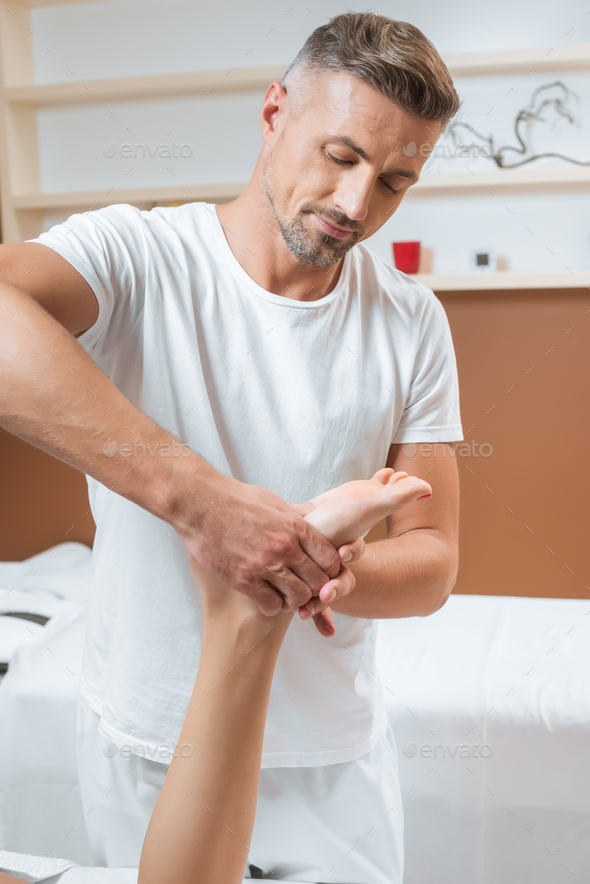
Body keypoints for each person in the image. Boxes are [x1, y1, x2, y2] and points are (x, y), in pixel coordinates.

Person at [0, 10, 462, 883]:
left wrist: (316, 565)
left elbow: (436, 561)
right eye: (341, 156)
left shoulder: (411, 319)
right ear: (274, 112)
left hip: (332, 768)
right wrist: (202, 501)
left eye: (396, 181)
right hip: (149, 744)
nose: (356, 206)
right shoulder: (137, 257)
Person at [139, 468, 433, 884]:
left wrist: (297, 564)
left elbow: (434, 557)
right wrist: (299, 553)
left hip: (332, 746)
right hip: (148, 725)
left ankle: (240, 617)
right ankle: (241, 618)